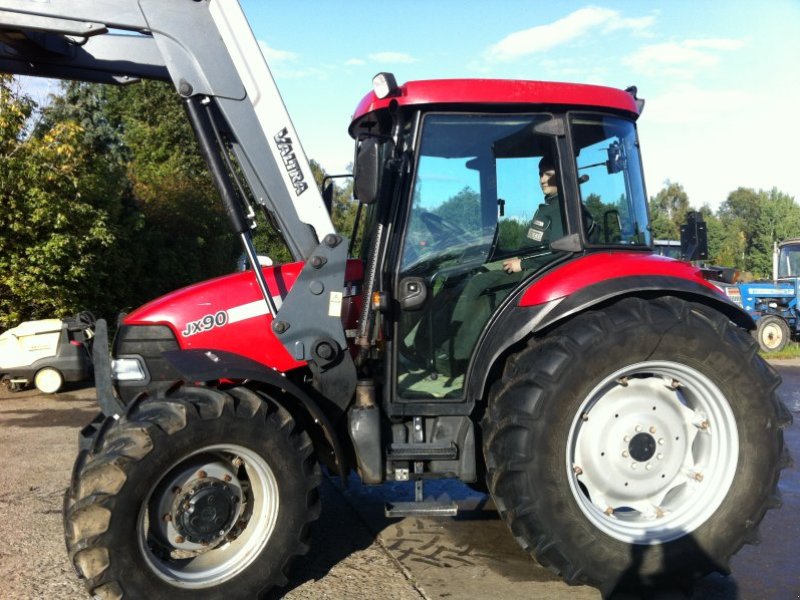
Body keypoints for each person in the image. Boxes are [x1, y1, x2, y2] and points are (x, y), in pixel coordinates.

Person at [449, 153, 565, 362]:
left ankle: (461, 357)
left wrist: (523, 263)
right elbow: (532, 245)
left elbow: (561, 252)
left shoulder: (562, 210)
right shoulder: (548, 207)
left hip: (538, 271)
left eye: (548, 174)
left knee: (489, 298)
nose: (541, 180)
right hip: (527, 264)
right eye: (540, 174)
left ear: (561, 175)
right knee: (473, 279)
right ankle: (450, 340)